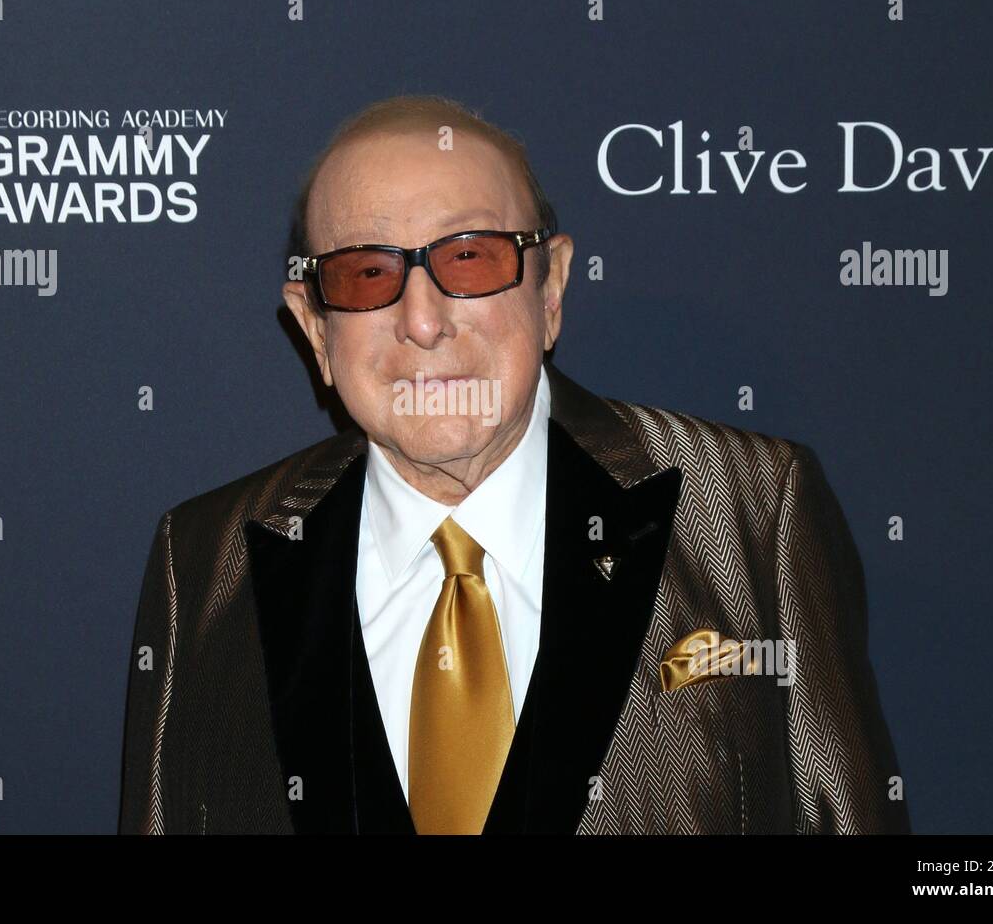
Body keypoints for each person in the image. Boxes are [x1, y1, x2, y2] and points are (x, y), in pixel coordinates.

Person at [117, 94, 910, 834]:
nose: (423, 321)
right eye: (367, 273)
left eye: (469, 258)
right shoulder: (208, 557)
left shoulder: (747, 511)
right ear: (315, 330)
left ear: (552, 286)